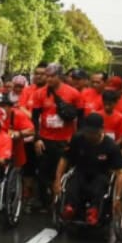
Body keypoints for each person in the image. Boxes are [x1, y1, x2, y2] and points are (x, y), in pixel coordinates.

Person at [54, 114, 122, 226]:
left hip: (101, 174)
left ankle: (94, 211)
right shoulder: (78, 138)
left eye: (93, 132)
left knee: (100, 182)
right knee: (74, 180)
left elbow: (121, 172)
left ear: (101, 130)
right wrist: (57, 180)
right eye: (87, 132)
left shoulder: (111, 146)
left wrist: (118, 197)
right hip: (81, 171)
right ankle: (70, 207)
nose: (89, 135)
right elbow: (64, 158)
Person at [31, 63, 82, 212]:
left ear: (60, 76)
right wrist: (37, 138)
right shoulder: (40, 93)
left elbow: (81, 117)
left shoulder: (73, 93)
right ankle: (43, 201)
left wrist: (76, 139)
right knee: (42, 171)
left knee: (61, 172)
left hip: (65, 139)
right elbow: (35, 118)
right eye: (47, 76)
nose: (49, 79)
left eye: (52, 76)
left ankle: (61, 200)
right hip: (45, 138)